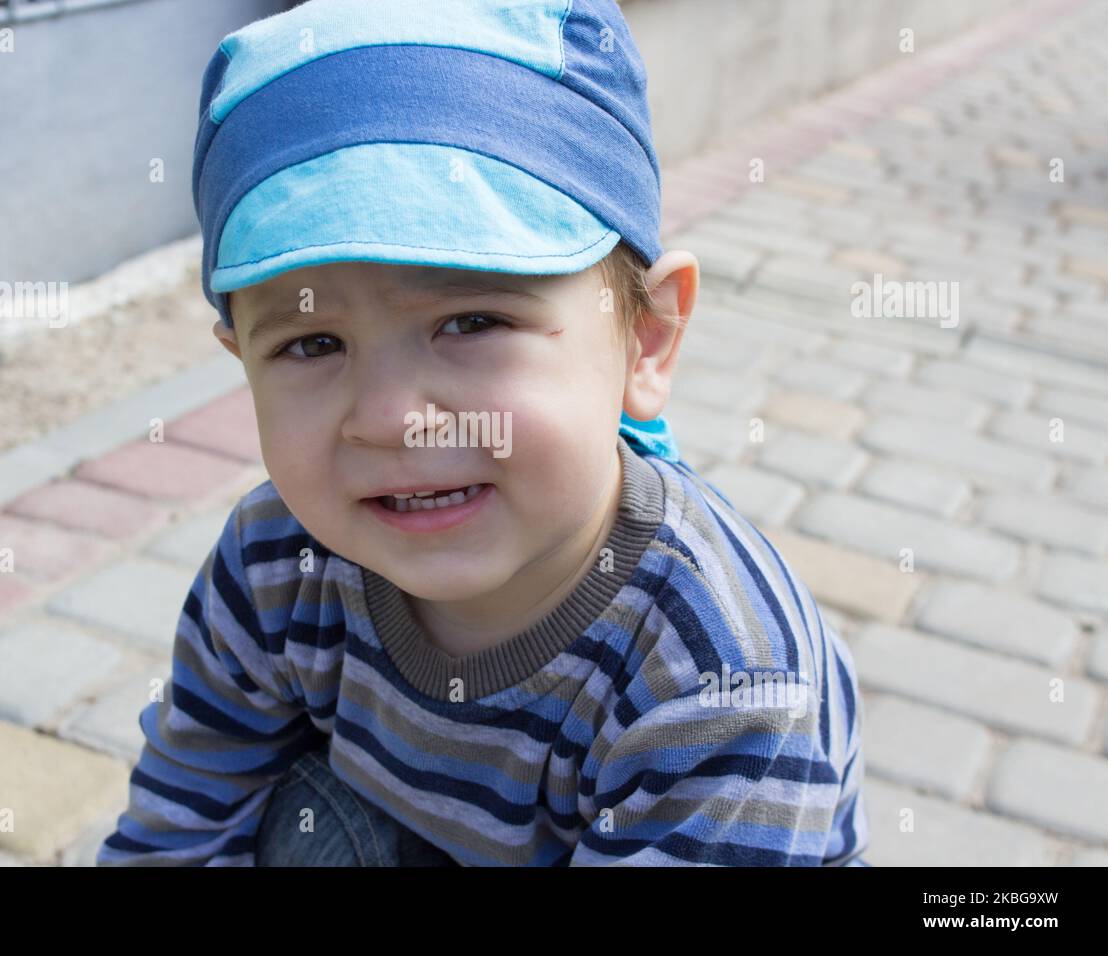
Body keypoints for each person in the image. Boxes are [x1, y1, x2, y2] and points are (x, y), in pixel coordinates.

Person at [97, 0, 867, 867]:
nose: (390, 418)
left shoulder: (722, 678)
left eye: (471, 322)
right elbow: (183, 824)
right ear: (242, 358)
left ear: (645, 337)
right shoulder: (275, 563)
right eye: (312, 342)